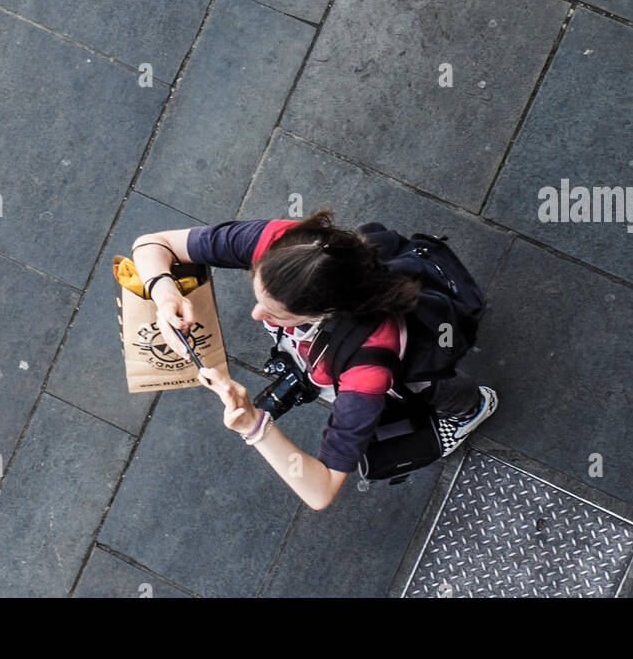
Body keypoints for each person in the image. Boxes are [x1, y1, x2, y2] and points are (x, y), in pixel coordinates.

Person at [130, 208, 497, 510]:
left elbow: (320, 490)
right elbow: (151, 244)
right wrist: (164, 295)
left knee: (429, 386)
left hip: (400, 365)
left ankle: (472, 409)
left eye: (278, 313)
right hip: (343, 351)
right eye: (259, 295)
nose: (258, 314)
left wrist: (254, 426)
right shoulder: (287, 247)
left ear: (329, 311)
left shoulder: (368, 367)